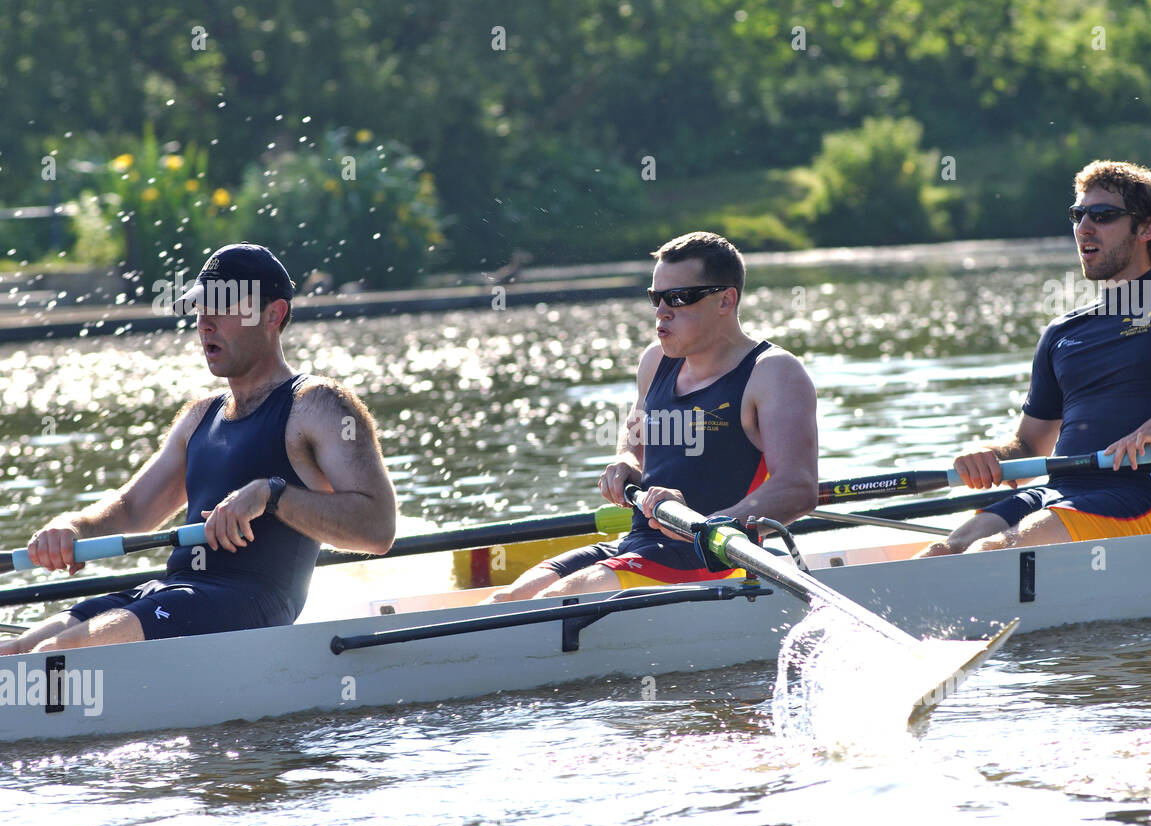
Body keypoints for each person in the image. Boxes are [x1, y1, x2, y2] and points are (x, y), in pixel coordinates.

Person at [1, 243, 397, 654]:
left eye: (223, 308)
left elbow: (378, 529)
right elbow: (132, 509)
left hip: (250, 605)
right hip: (172, 592)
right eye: (199, 309)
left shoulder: (318, 405)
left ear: (273, 315)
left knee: (52, 657)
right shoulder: (199, 417)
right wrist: (71, 526)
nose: (205, 323)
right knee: (10, 654)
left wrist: (271, 495)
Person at [918, 160, 1151, 557]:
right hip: (1052, 492)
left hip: (1138, 499)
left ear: (1147, 228)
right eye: (1077, 215)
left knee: (992, 550)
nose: (1084, 227)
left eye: (1102, 216)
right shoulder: (1062, 333)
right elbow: (1030, 445)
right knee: (943, 551)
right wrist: (991, 457)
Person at [490, 231, 818, 600]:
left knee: (550, 603)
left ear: (726, 300)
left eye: (678, 297)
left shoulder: (773, 372)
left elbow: (798, 487)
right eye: (656, 297)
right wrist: (626, 462)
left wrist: (710, 526)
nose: (662, 311)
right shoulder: (656, 361)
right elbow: (634, 441)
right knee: (503, 602)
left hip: (711, 557)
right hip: (637, 542)